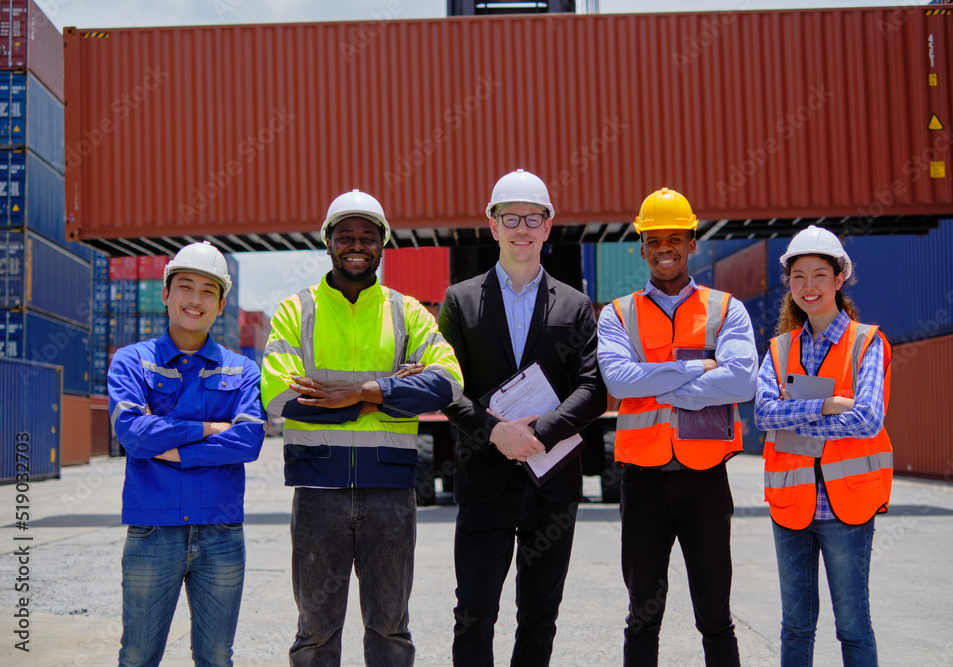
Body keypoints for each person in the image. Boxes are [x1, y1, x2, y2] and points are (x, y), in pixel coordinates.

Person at [260, 189, 463, 666]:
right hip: (318, 492)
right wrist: (394, 389)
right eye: (346, 236)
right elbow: (280, 397)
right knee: (315, 632)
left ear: (382, 243)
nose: (357, 245)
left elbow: (448, 384)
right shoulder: (296, 311)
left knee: (391, 629)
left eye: (368, 237)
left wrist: (360, 392)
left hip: (391, 493)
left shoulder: (407, 312)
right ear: (328, 241)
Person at [438, 168, 606, 666]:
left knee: (539, 616)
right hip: (485, 481)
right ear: (493, 225)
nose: (522, 229)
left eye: (533, 218)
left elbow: (593, 389)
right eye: (510, 218)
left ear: (548, 225)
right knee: (474, 613)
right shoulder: (460, 301)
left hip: (552, 482)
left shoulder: (575, 305)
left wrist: (538, 434)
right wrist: (496, 433)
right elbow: (445, 386)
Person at [596, 188, 758, 667]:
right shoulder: (618, 314)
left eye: (674, 238)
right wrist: (699, 369)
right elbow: (619, 382)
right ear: (641, 247)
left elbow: (743, 382)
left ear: (692, 243)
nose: (663, 248)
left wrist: (655, 381)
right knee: (641, 617)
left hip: (705, 479)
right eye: (653, 239)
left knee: (716, 616)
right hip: (641, 482)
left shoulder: (726, 309)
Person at [107, 241, 266, 667]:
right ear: (166, 293)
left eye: (208, 291)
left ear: (221, 305)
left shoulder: (242, 369)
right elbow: (133, 435)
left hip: (221, 533)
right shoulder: (132, 361)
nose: (195, 299)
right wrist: (209, 428)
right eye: (185, 287)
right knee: (138, 656)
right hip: (152, 530)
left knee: (215, 657)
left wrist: (171, 449)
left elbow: (248, 441)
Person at [754, 225, 892, 666]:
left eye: (818, 275)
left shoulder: (866, 342)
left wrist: (795, 414)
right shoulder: (779, 349)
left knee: (852, 627)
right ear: (788, 283)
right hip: (791, 505)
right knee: (795, 627)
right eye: (798, 276)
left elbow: (867, 419)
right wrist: (828, 405)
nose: (808, 286)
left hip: (846, 507)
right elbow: (763, 415)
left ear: (839, 279)